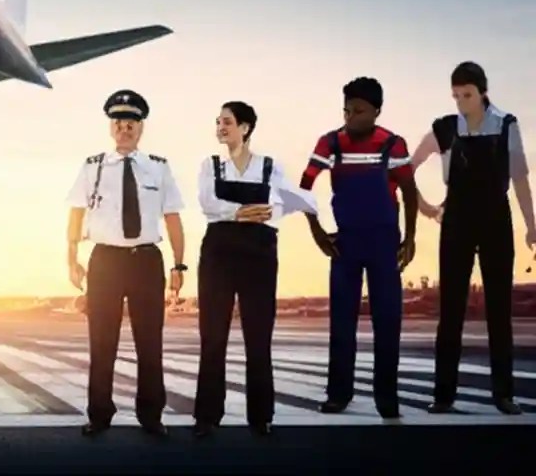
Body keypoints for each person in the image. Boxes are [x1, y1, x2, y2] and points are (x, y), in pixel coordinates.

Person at [409, 61, 533, 415]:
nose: (461, 102)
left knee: (499, 309)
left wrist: (532, 225)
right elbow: (406, 168)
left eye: (467, 95)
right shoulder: (444, 128)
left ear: (483, 92)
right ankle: (443, 395)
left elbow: (521, 177)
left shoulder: (507, 125)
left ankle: (504, 394)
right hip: (457, 222)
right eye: (456, 96)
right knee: (450, 310)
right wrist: (428, 208)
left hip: (496, 219)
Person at [192, 101, 317, 438]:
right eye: (218, 121)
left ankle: (260, 416)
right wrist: (241, 212)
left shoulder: (270, 166)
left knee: (258, 336)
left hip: (259, 252)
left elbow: (296, 200)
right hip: (218, 250)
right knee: (213, 335)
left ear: (245, 128)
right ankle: (206, 416)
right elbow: (207, 203)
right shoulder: (210, 165)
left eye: (228, 122)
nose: (221, 127)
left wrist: (265, 211)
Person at [66, 89, 186, 437]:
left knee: (150, 343)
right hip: (104, 261)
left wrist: (179, 266)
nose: (125, 128)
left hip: (146, 261)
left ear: (141, 127)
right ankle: (99, 414)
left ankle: (151, 416)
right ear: (111, 127)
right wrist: (71, 257)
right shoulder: (92, 167)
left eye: (131, 122)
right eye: (118, 121)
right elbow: (76, 212)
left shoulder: (159, 168)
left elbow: (173, 218)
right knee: (101, 342)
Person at [299, 76, 419, 419]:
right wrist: (317, 231)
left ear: (376, 111)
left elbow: (410, 192)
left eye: (359, 110)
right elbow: (306, 184)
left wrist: (410, 240)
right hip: (346, 243)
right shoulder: (330, 143)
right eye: (347, 109)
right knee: (341, 322)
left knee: (387, 321)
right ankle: (339, 393)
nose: (350, 117)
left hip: (384, 242)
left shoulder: (392, 145)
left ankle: (387, 398)